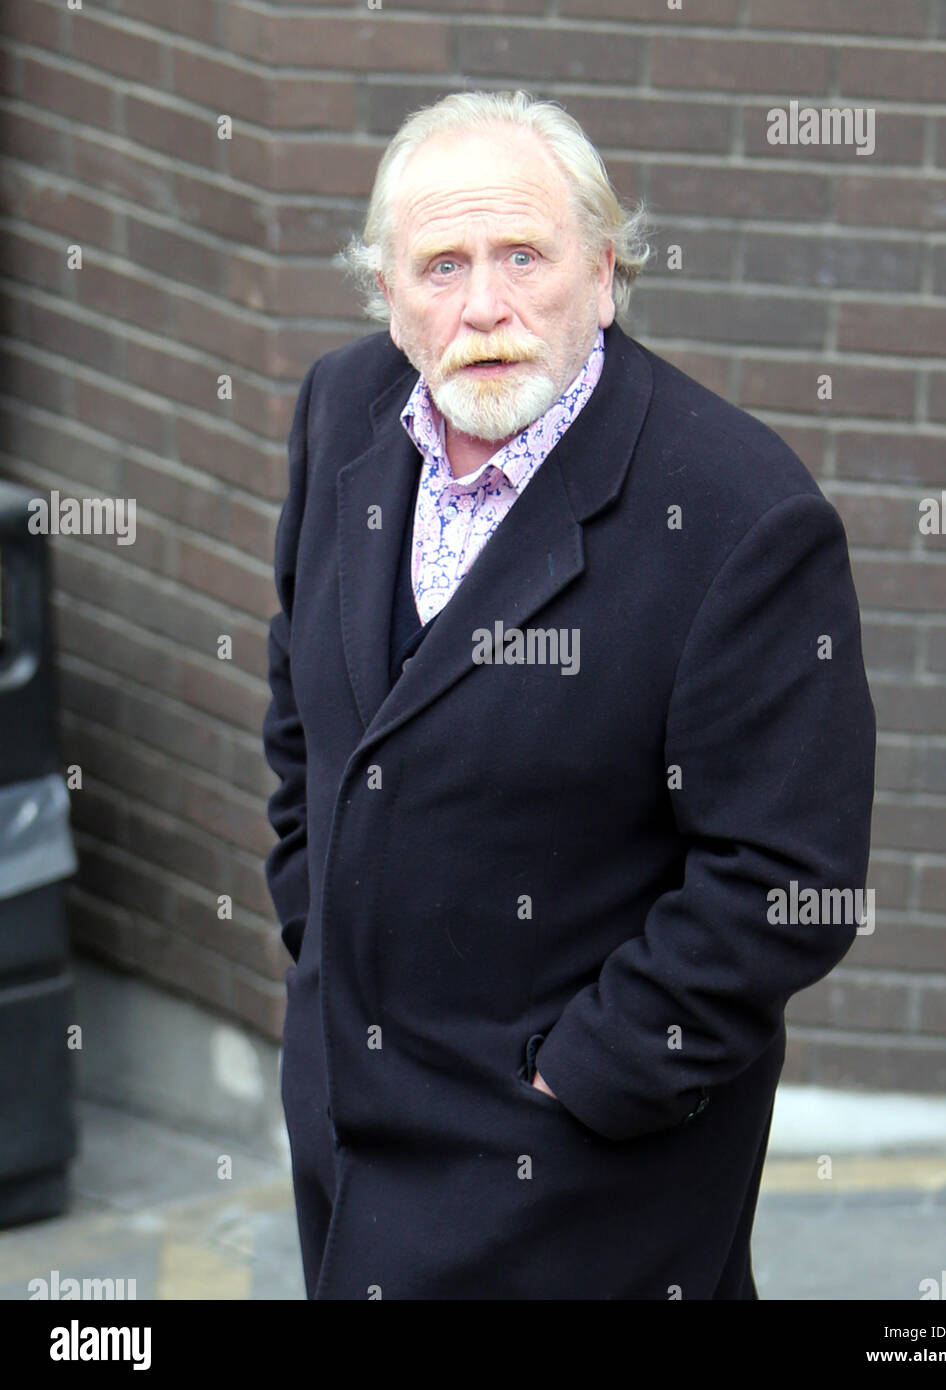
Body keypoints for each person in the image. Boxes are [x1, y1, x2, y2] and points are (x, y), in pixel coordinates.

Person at [262, 89, 876, 1300]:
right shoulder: (341, 411)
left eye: (523, 257)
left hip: (577, 1185)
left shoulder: (743, 514)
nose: (482, 307)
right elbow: (305, 707)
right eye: (440, 265)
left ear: (604, 271)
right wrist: (315, 930)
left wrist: (581, 1079)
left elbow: (788, 881)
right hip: (351, 1139)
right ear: (385, 294)